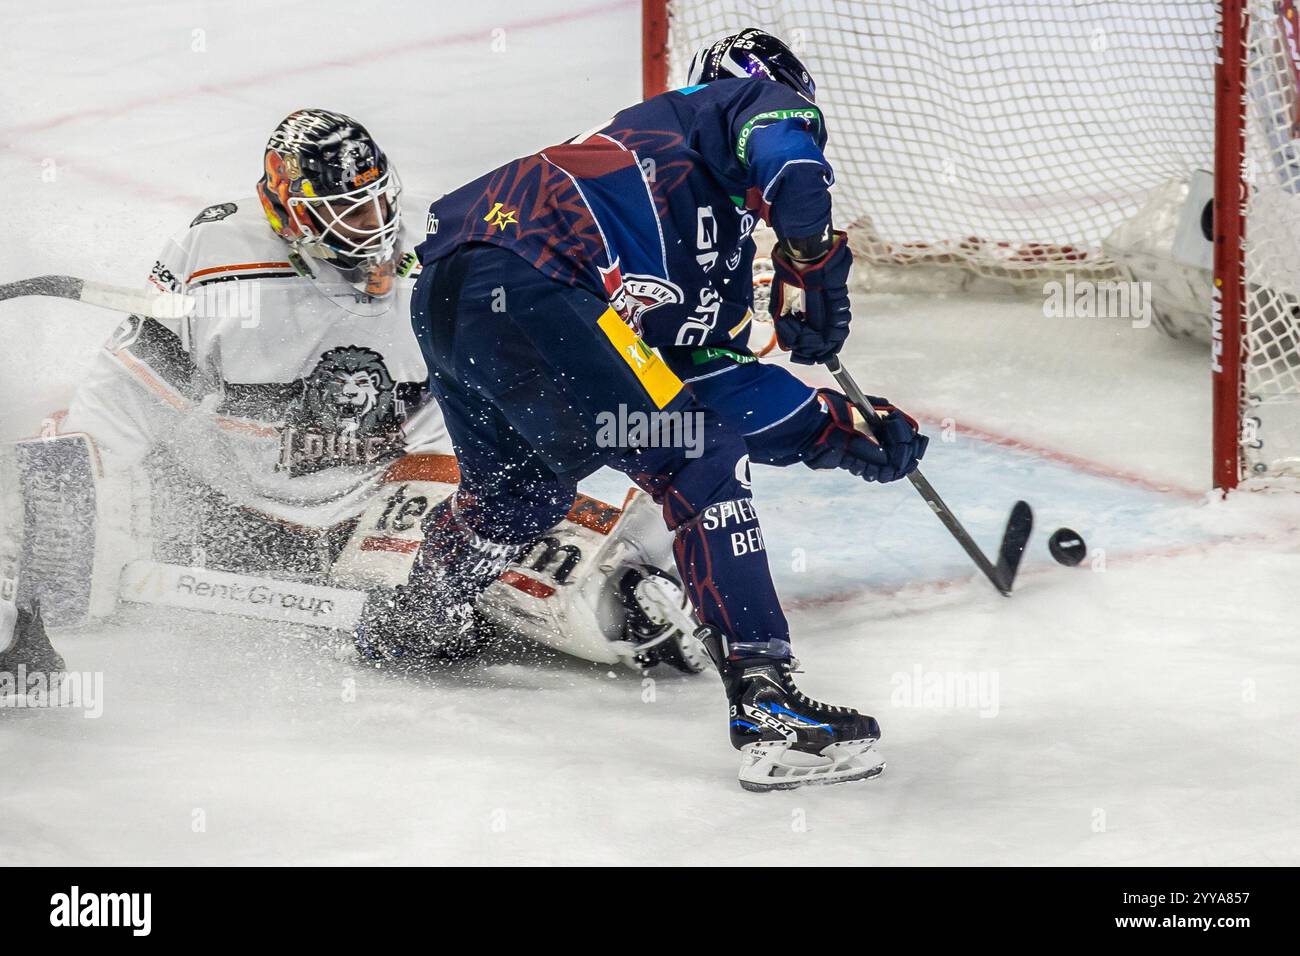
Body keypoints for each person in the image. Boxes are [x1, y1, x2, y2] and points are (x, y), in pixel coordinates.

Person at [384, 29, 928, 790]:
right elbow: (799, 178)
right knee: (694, 456)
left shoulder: (702, 231)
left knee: (519, 492)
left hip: (455, 292)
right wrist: (811, 264)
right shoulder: (737, 103)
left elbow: (701, 380)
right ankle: (765, 707)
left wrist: (834, 429)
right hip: (537, 278)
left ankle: (414, 619)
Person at [4, 108, 698, 673]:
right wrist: (70, 489)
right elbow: (129, 396)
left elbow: (494, 391)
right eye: (348, 212)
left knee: (528, 572)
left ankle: (636, 589)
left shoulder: (435, 251)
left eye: (377, 204)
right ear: (292, 215)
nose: (375, 228)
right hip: (224, 501)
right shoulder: (215, 261)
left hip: (379, 492)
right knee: (54, 476)